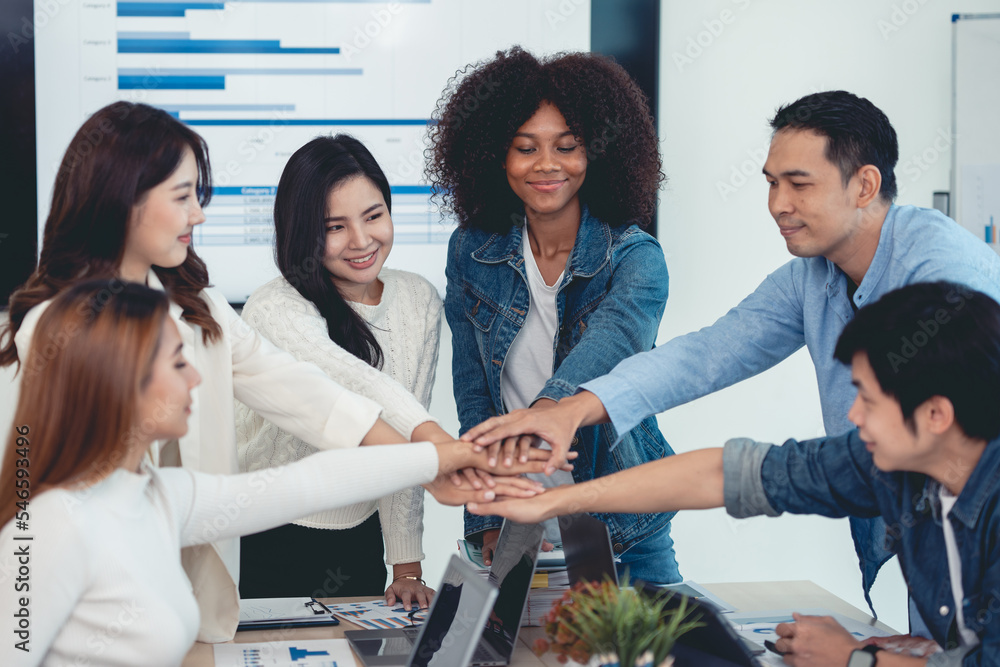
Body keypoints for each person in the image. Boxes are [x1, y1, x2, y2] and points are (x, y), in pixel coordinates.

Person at [463, 90, 1000, 615]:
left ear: (865, 185)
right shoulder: (812, 278)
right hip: (921, 529)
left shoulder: (949, 279)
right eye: (771, 183)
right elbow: (708, 357)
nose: (777, 205)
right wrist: (571, 415)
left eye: (799, 184)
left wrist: (875, 659)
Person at [0, 102, 452, 641]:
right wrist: (431, 457)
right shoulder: (48, 333)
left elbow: (307, 397)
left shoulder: (199, 307)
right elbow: (23, 515)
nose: (198, 214)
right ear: (123, 199)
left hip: (181, 598)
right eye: (182, 196)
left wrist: (430, 459)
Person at [0, 280, 545, 667]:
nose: (197, 378)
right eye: (177, 362)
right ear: (118, 380)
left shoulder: (160, 495)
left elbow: (305, 484)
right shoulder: (51, 525)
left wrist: (441, 460)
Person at [472, 281, 1000, 666]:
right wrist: (556, 502)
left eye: (868, 399)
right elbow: (723, 474)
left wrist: (855, 659)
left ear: (936, 415)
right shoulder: (888, 465)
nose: (853, 414)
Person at [427, 46, 679, 583]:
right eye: (526, 148)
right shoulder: (471, 250)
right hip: (517, 517)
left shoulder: (635, 258)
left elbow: (612, 344)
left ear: (598, 154)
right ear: (497, 157)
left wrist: (545, 414)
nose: (546, 164)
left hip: (625, 523)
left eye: (567, 147)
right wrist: (486, 512)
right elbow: (473, 391)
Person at [235, 135, 444, 607]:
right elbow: (352, 384)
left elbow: (401, 446)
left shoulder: (419, 300)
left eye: (373, 215)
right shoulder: (274, 306)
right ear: (302, 233)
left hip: (358, 537)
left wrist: (406, 568)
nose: (362, 240)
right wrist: (436, 447)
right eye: (335, 226)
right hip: (266, 535)